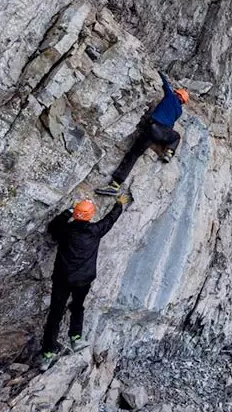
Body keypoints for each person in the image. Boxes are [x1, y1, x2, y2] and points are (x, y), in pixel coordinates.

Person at [40, 195, 130, 370]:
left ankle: (47, 354)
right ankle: (75, 337)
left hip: (62, 279)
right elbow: (110, 220)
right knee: (78, 307)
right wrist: (119, 204)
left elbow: (53, 225)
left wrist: (69, 211)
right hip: (83, 280)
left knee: (55, 315)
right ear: (90, 215)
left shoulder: (65, 230)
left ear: (76, 214)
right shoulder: (95, 230)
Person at [96, 72, 189, 196]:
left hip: (152, 129)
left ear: (177, 94)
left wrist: (159, 72)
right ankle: (169, 152)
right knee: (176, 136)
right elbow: (171, 124)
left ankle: (115, 184)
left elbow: (164, 84)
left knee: (133, 155)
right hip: (163, 133)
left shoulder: (170, 96)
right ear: (182, 102)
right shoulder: (179, 111)